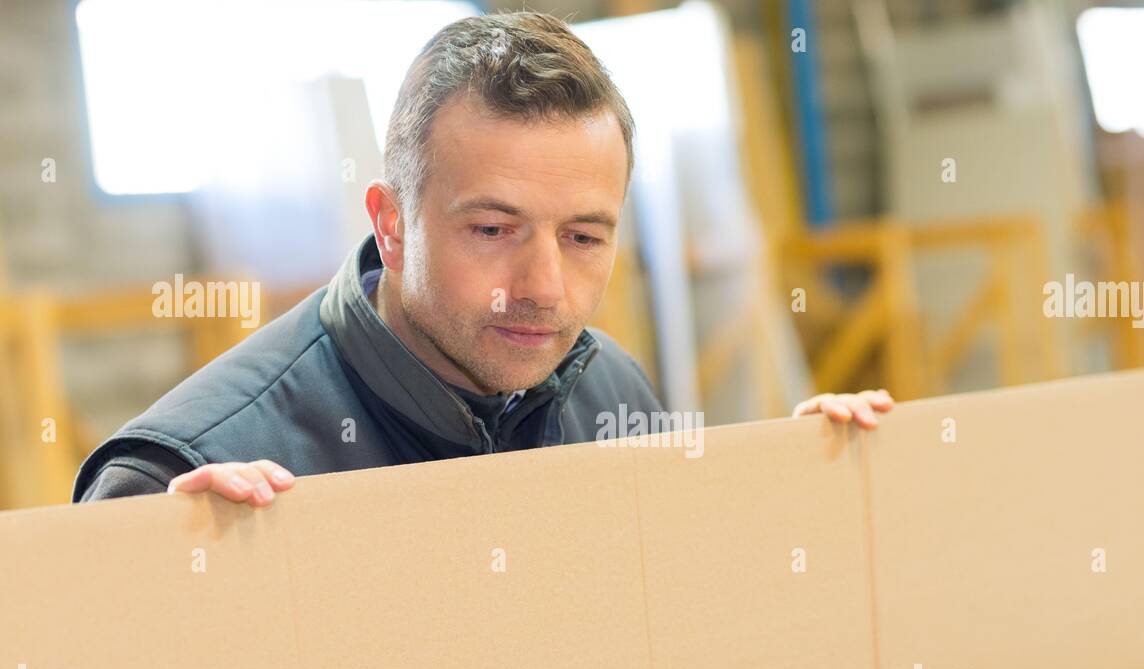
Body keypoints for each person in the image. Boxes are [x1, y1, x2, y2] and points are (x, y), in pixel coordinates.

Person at [74, 11, 892, 507]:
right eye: (494, 231)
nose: (542, 290)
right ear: (391, 227)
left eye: (583, 237)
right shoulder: (184, 475)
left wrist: (791, 498)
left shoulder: (610, 392)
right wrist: (176, 581)